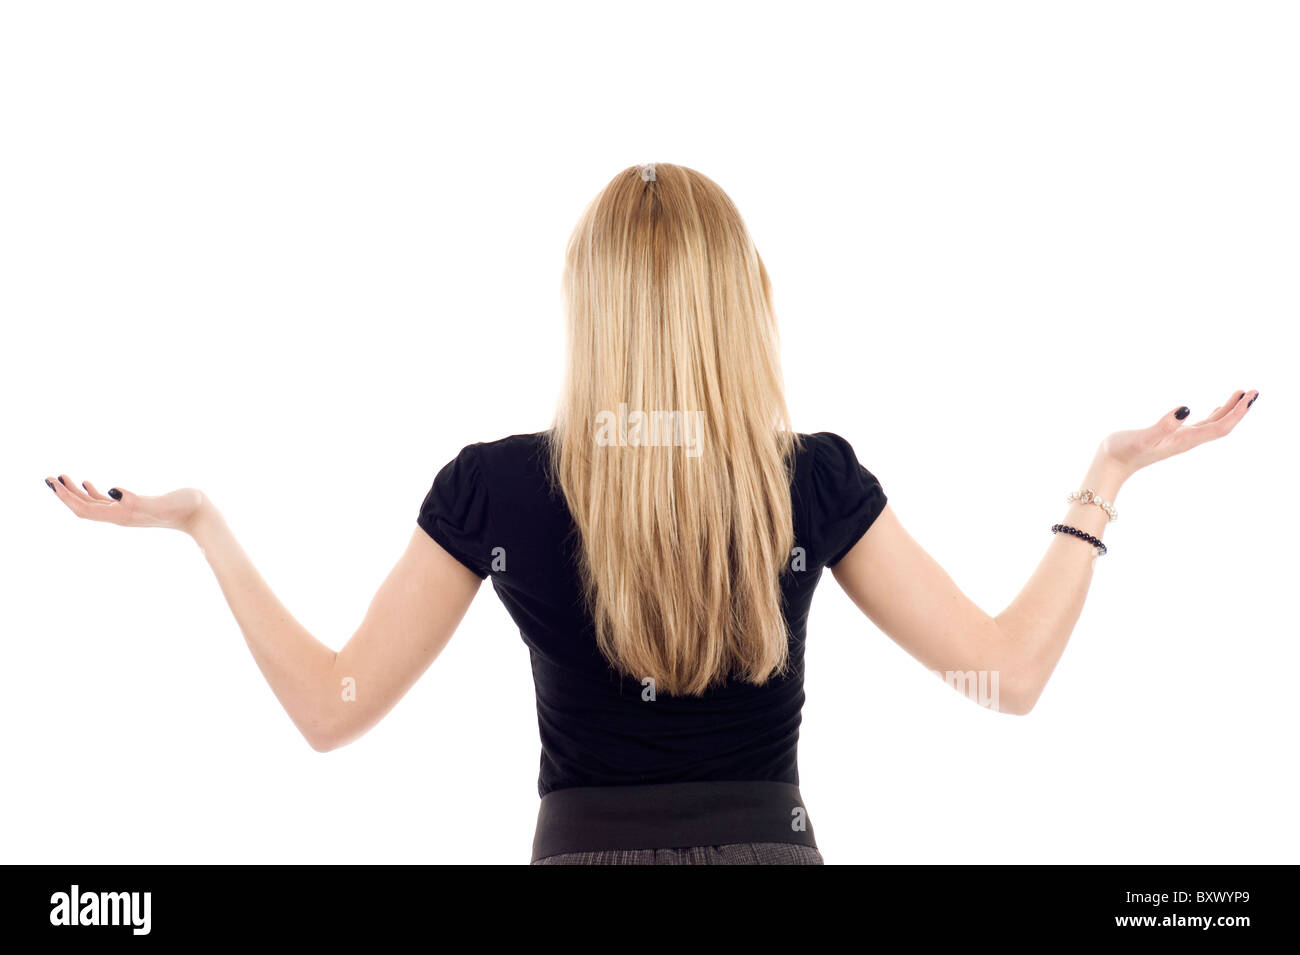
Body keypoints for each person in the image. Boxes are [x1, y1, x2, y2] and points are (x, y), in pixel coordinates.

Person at [44, 162, 1257, 865]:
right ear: (741, 303)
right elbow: (1005, 675)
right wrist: (1101, 483)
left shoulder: (499, 485)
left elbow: (331, 709)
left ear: (589, 307)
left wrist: (208, 529)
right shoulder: (806, 476)